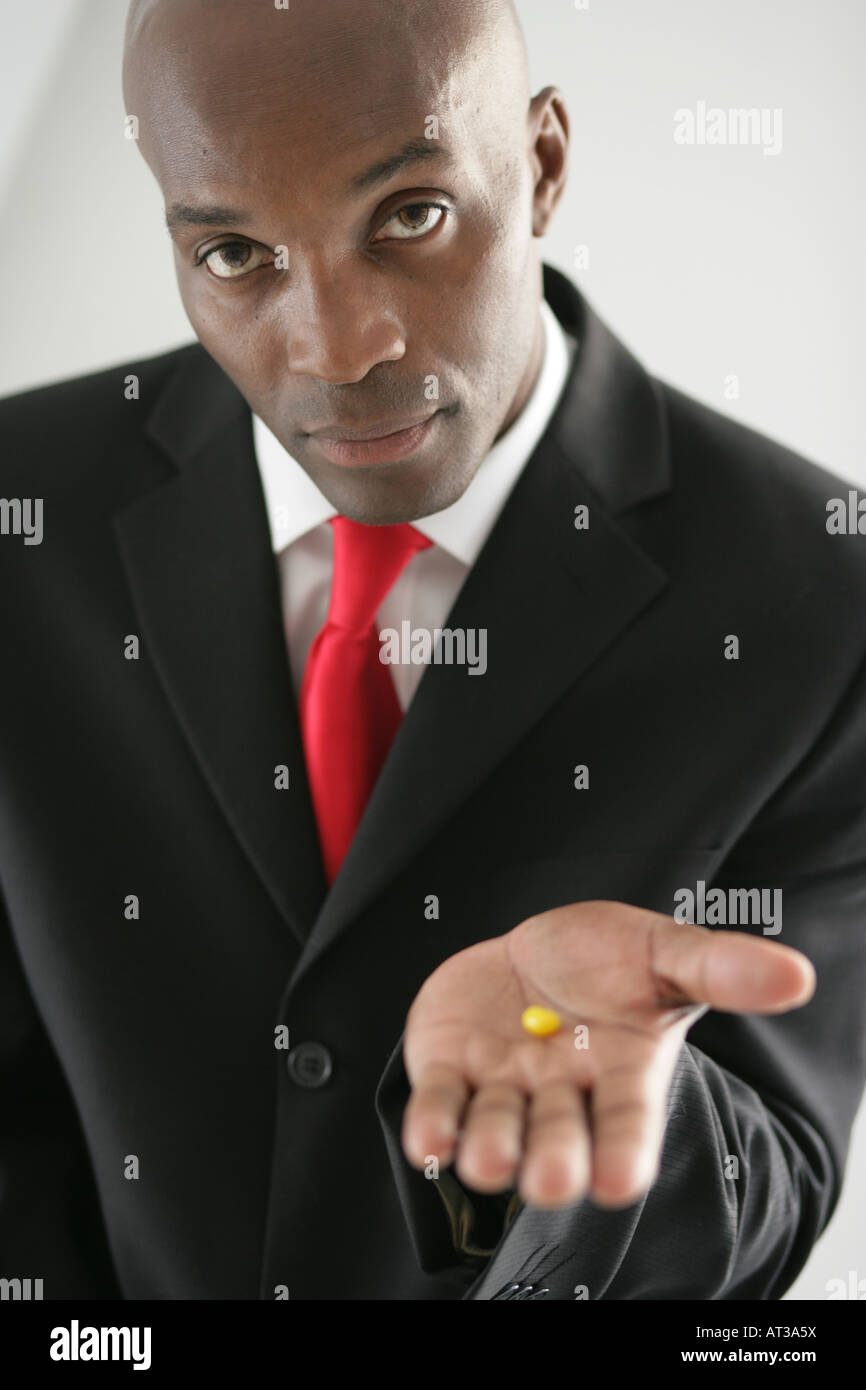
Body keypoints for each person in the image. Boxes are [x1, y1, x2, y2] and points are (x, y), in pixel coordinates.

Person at [0, 0, 863, 1301]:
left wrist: (617, 1111)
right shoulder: (19, 515)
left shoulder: (821, 599)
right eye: (235, 252)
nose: (339, 348)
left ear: (544, 162)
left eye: (409, 216)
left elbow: (770, 1197)